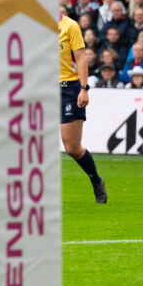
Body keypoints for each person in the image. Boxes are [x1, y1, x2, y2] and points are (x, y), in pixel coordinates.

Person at [59, 11, 107, 203]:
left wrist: (84, 88)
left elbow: (80, 58)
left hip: (67, 89)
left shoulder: (70, 26)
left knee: (72, 147)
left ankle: (96, 180)